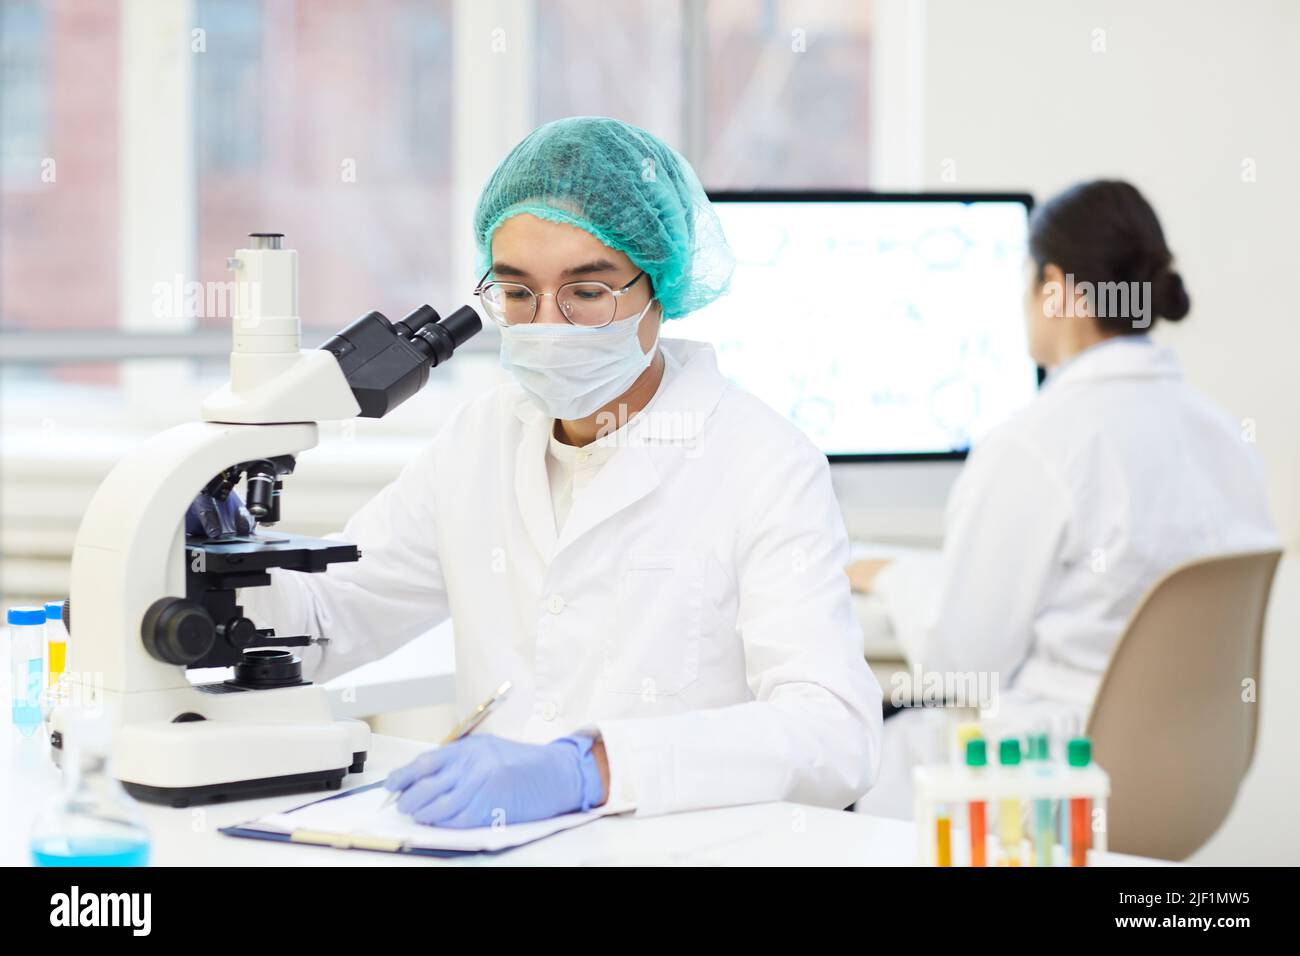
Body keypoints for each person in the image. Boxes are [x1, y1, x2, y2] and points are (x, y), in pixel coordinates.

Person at [200, 117, 882, 828]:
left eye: (587, 293)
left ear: (662, 289)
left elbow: (835, 736)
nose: (548, 324)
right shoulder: (481, 440)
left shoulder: (763, 461)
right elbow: (326, 619)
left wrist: (589, 769)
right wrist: (216, 555)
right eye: (519, 293)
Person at [850, 179, 1278, 818]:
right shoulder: (1223, 435)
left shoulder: (1034, 444)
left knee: (845, 754)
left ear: (1054, 287)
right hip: (1191, 786)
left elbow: (960, 663)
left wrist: (888, 574)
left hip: (1050, 781)